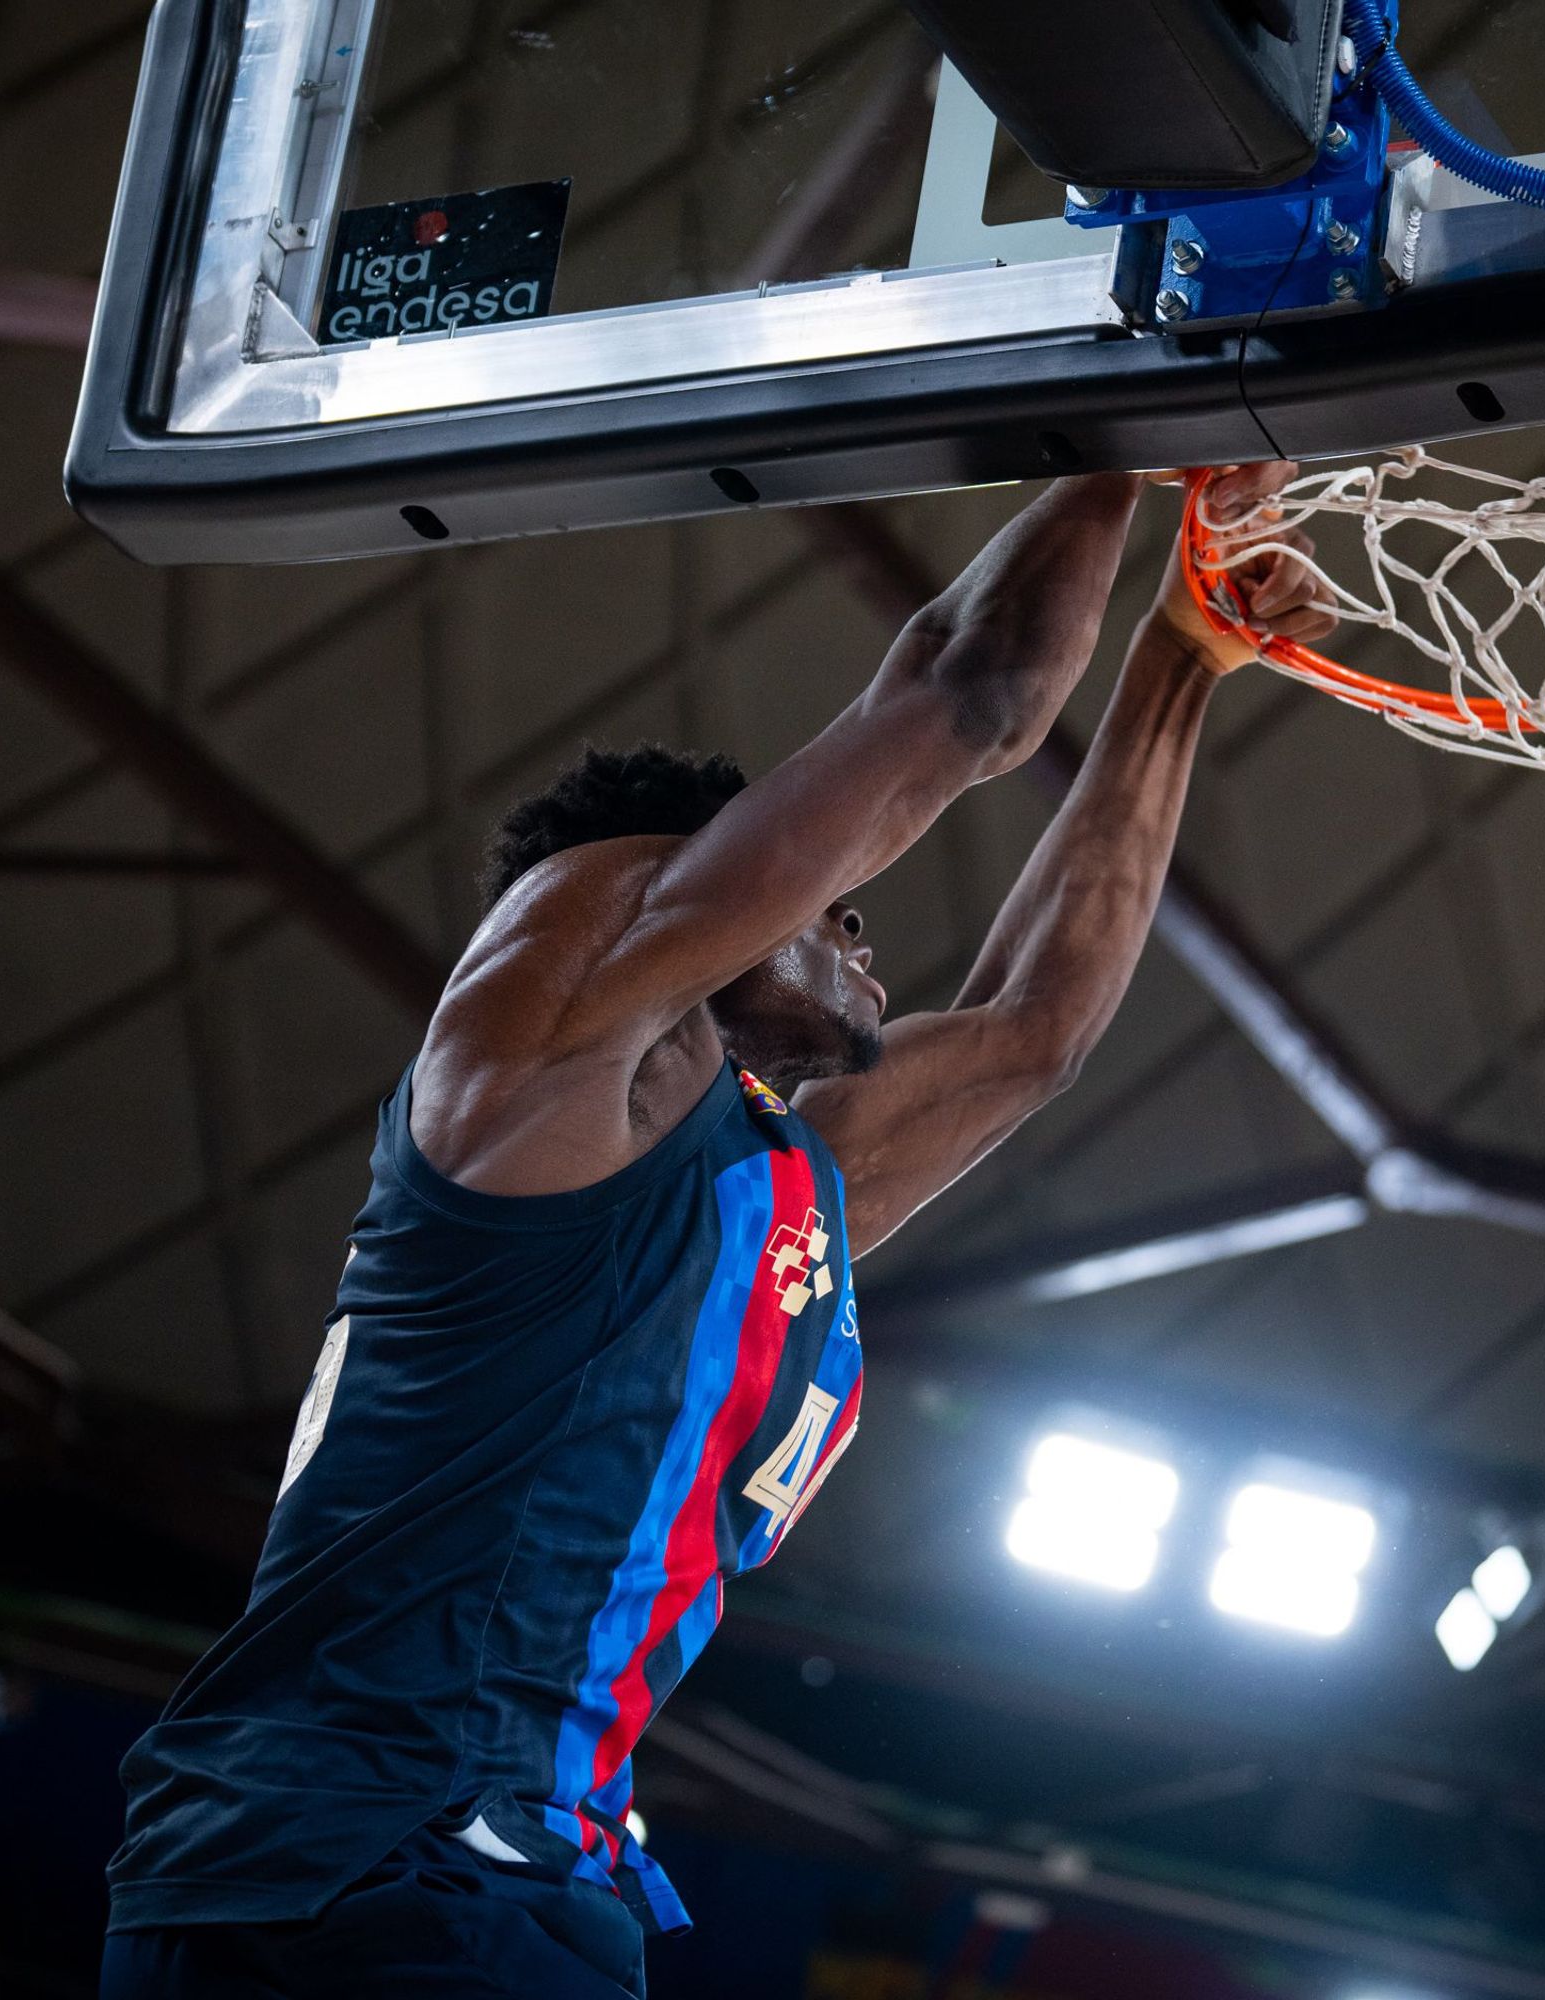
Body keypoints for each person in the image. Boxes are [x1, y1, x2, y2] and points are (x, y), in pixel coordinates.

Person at [99, 466, 1329, 1998]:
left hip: (528, 1857)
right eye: (820, 897)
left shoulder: (769, 1182)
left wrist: (1180, 658)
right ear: (691, 898)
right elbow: (972, 689)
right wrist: (1127, 437)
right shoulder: (535, 1049)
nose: (860, 925)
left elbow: (1035, 1028)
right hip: (340, 1841)